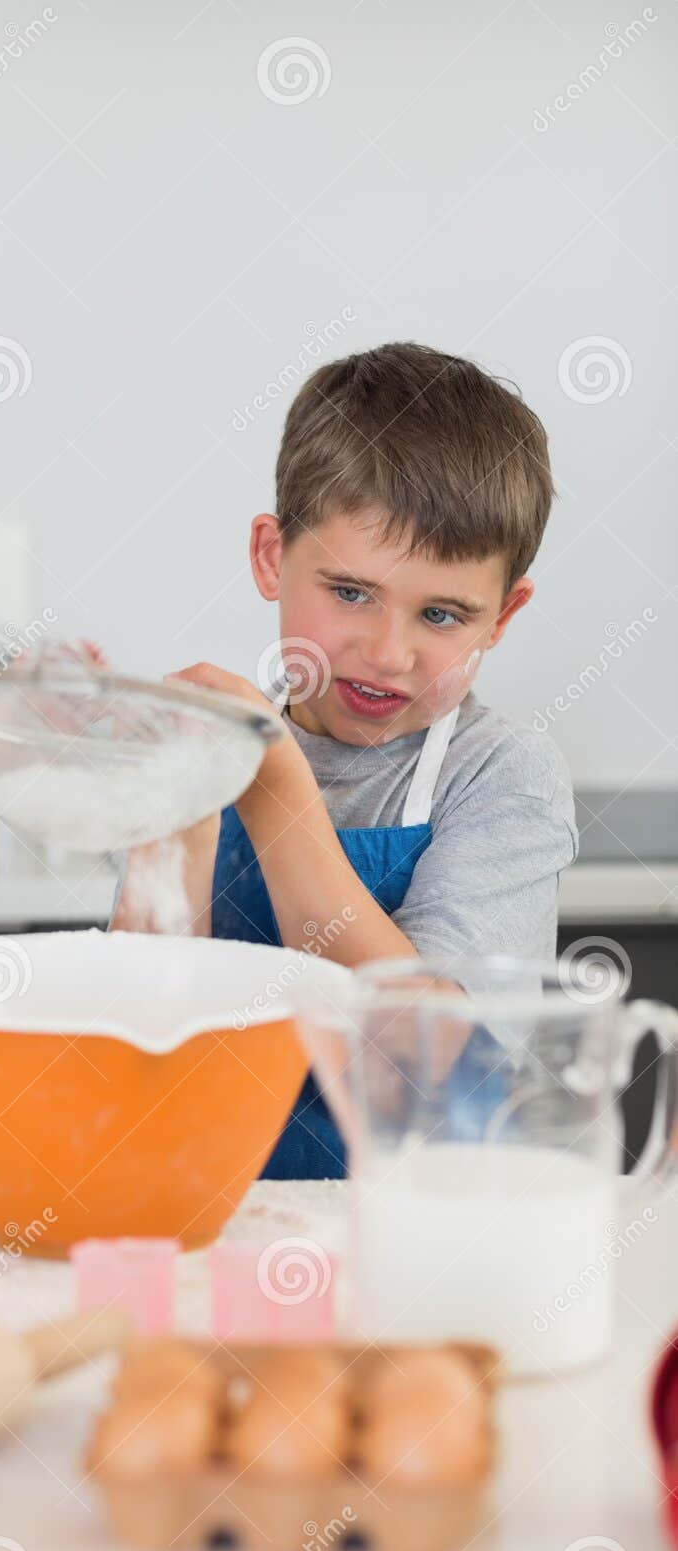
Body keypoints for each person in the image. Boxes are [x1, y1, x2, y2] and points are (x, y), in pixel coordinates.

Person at [112, 342, 578, 1178]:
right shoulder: (207, 740)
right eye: (351, 593)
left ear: (502, 615)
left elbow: (422, 1050)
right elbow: (135, 1043)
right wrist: (173, 806)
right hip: (217, 1219)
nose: (386, 652)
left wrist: (277, 789)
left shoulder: (504, 776)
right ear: (268, 557)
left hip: (420, 1242)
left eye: (441, 615)